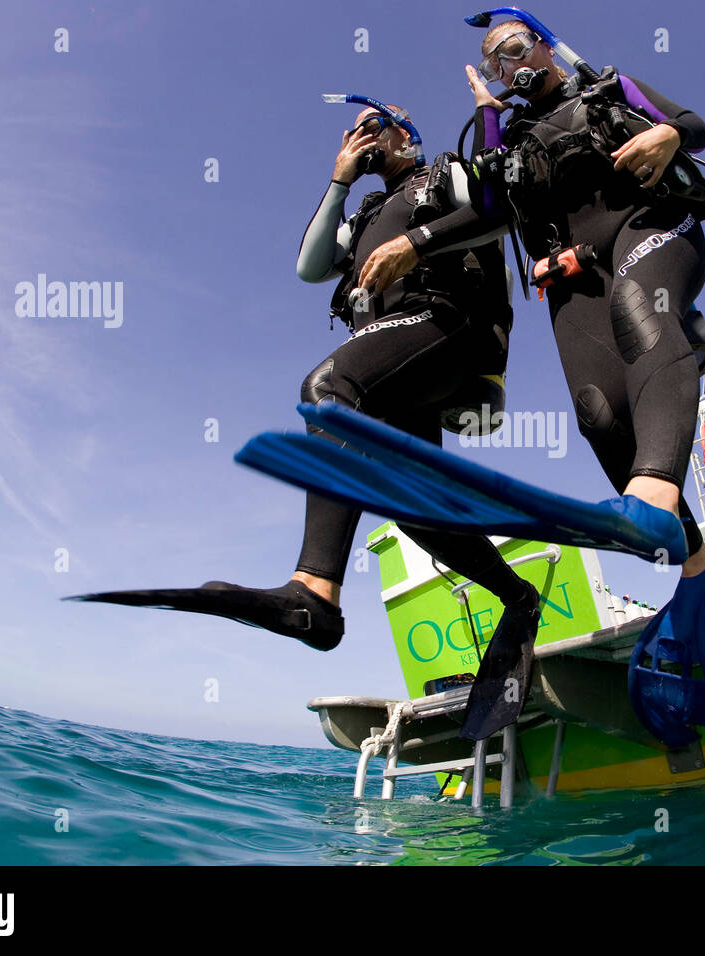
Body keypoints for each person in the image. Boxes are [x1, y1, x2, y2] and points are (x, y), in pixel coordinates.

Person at [76, 105, 543, 679]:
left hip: (444, 328)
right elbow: (309, 267)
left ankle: (315, 591)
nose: (369, 136)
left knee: (328, 386)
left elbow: (500, 212)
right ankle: (519, 596)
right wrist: (340, 179)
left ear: (409, 133)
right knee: (412, 508)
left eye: (380, 125)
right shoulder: (368, 210)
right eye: (361, 129)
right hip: (392, 360)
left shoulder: (443, 173)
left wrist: (416, 243)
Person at [355, 23, 705, 583]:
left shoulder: (607, 87)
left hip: (652, 226)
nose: (507, 65)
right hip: (576, 273)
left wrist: (669, 136)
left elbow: (695, 126)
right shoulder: (514, 133)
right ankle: (695, 563)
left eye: (514, 47)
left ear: (546, 45)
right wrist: (416, 237)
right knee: (599, 415)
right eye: (494, 63)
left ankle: (653, 493)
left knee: (639, 306)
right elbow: (487, 205)